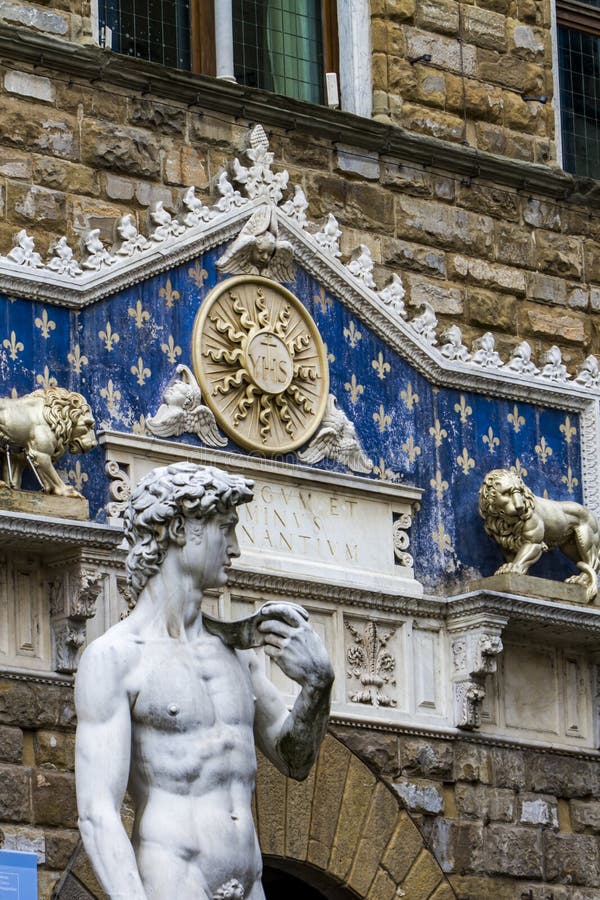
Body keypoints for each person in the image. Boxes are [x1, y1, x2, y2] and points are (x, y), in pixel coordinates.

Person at [75, 462, 334, 900]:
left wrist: (317, 686)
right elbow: (98, 812)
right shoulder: (116, 658)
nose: (234, 549)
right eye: (224, 528)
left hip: (251, 885)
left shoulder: (236, 654)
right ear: (179, 528)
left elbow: (295, 760)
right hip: (173, 883)